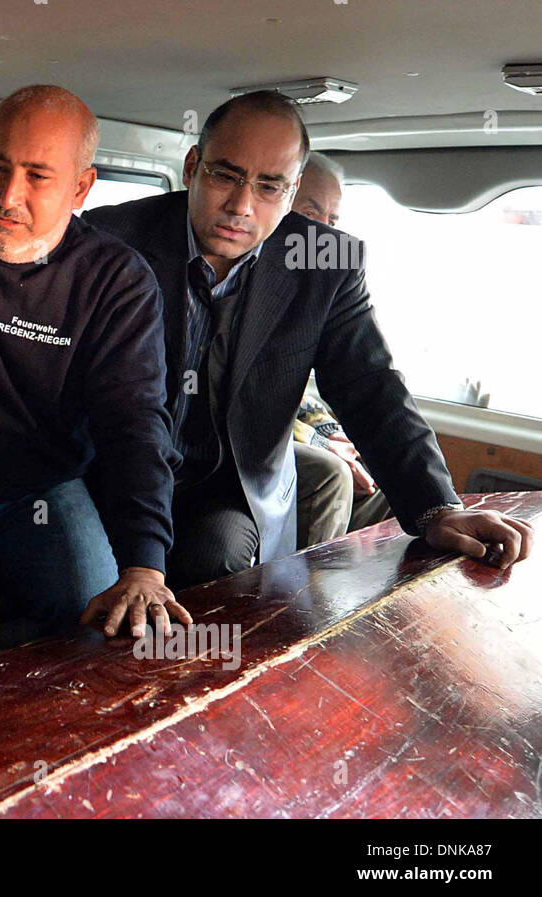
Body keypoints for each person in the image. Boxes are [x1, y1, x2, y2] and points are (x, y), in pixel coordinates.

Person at [84, 91, 533, 587]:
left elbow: (369, 386)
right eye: (226, 175)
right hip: (108, 471)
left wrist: (438, 510)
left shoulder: (324, 261)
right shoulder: (110, 239)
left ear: (292, 188)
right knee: (73, 576)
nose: (241, 206)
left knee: (216, 555)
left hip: (227, 485)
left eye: (269, 187)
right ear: (193, 165)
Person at [0, 84, 185, 664]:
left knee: (102, 618)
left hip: (46, 483)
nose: (6, 196)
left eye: (37, 176)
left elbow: (134, 422)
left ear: (81, 187)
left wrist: (144, 564)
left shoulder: (114, 280)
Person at [288, 152, 391, 547]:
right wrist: (313, 440)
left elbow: (368, 378)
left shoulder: (327, 284)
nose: (324, 235)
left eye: (332, 221)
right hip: (241, 448)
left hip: (301, 428)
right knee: (331, 473)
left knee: (387, 472)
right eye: (311, 215)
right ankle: (302, 603)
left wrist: (333, 432)